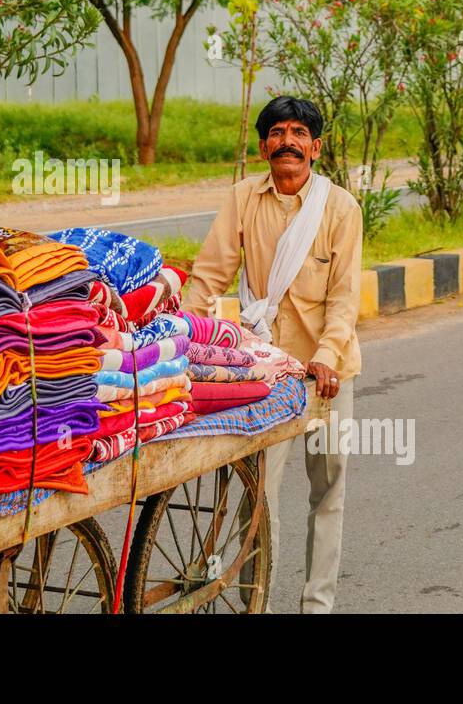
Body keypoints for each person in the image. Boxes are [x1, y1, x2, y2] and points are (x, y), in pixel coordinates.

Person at [181, 95, 362, 613]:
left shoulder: (341, 208)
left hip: (329, 374)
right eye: (278, 132)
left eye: (299, 133)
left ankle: (317, 606)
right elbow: (211, 274)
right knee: (257, 495)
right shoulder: (243, 198)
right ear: (264, 147)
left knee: (328, 493)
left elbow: (345, 299)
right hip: (265, 370)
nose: (289, 142)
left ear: (316, 147)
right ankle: (252, 603)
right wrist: (185, 337)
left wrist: (326, 356)